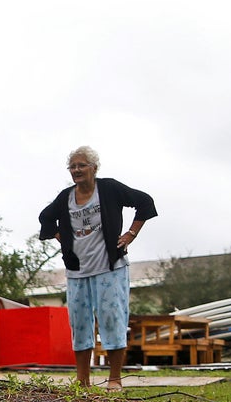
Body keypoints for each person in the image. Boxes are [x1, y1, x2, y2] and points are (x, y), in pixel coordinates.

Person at [38, 146, 157, 389]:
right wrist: (64, 238)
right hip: (77, 270)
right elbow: (46, 217)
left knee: (112, 319)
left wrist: (130, 234)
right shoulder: (65, 197)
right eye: (72, 166)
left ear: (94, 168)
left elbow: (144, 201)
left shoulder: (109, 188)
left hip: (109, 267)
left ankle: (114, 379)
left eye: (82, 165)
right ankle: (83, 382)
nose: (76, 170)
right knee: (80, 324)